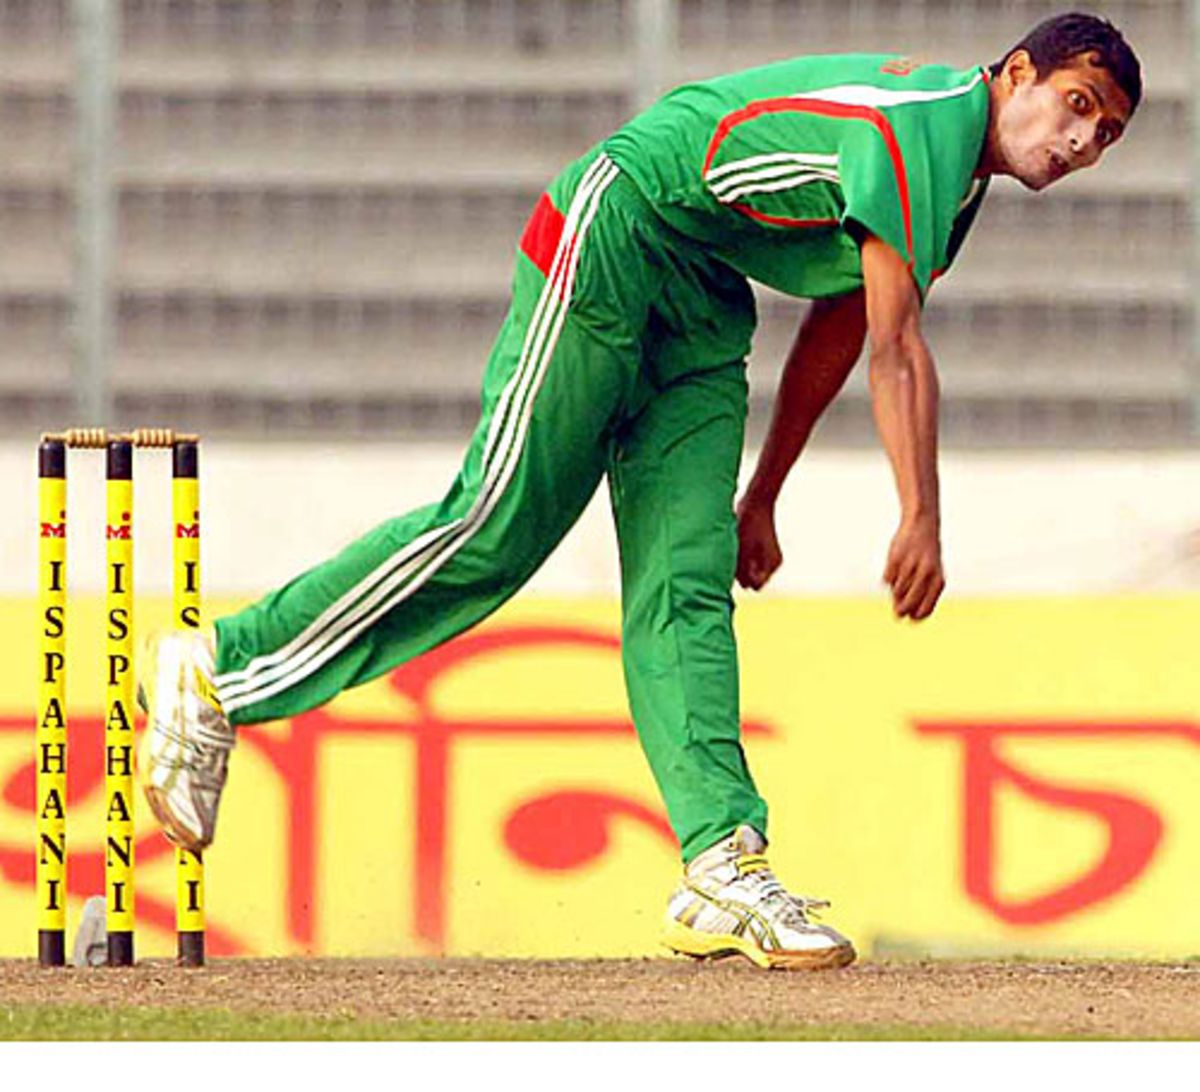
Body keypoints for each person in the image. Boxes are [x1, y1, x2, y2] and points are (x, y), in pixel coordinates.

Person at [138, 12, 1141, 970]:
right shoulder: (927, 125)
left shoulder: (956, 182)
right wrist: (920, 513)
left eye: (1106, 130)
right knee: (497, 524)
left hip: (701, 286)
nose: (1082, 140)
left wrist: (765, 493)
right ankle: (218, 670)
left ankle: (721, 863)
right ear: (1015, 74)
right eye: (1075, 103)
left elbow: (842, 321)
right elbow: (895, 350)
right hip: (618, 224)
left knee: (687, 578)